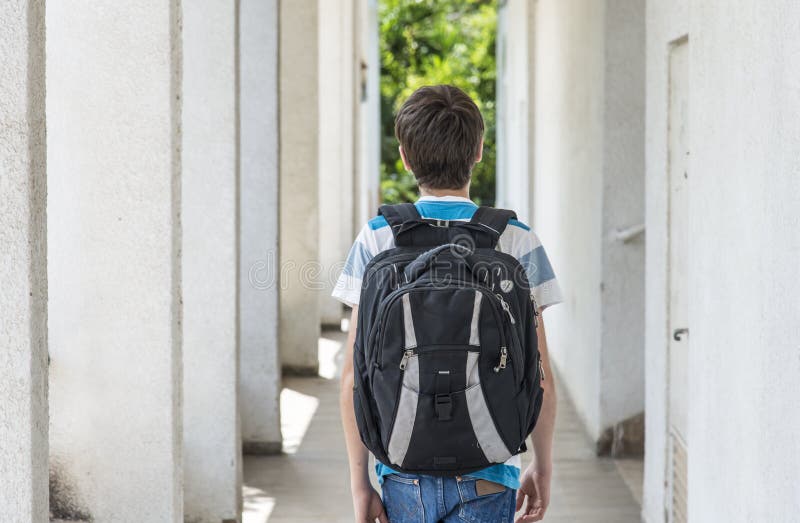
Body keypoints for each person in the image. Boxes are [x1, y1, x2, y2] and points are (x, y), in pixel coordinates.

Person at [333, 85, 562, 523]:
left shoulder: (378, 237)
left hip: (402, 468)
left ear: (404, 156)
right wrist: (543, 466)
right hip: (491, 470)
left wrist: (359, 483)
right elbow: (540, 376)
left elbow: (352, 378)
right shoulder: (517, 239)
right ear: (478, 150)